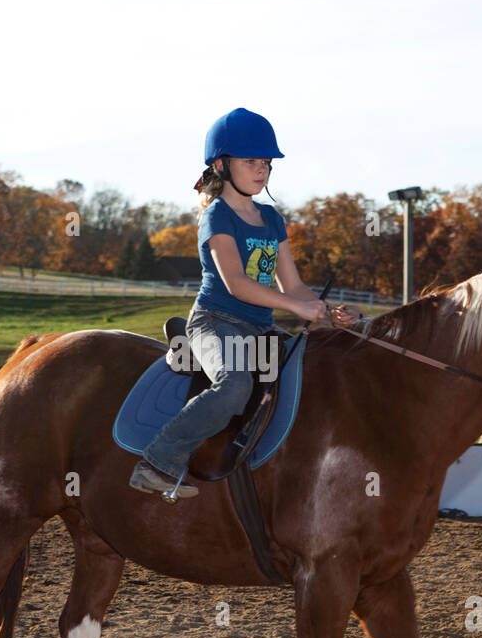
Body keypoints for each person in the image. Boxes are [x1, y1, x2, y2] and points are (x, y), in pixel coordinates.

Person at [129, 108, 363, 499]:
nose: (261, 171)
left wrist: (327, 311)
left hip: (259, 330)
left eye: (266, 163)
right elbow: (236, 284)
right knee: (235, 385)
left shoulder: (272, 219)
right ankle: (158, 461)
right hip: (215, 322)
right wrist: (296, 308)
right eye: (251, 161)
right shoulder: (216, 216)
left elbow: (294, 284)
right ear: (221, 165)